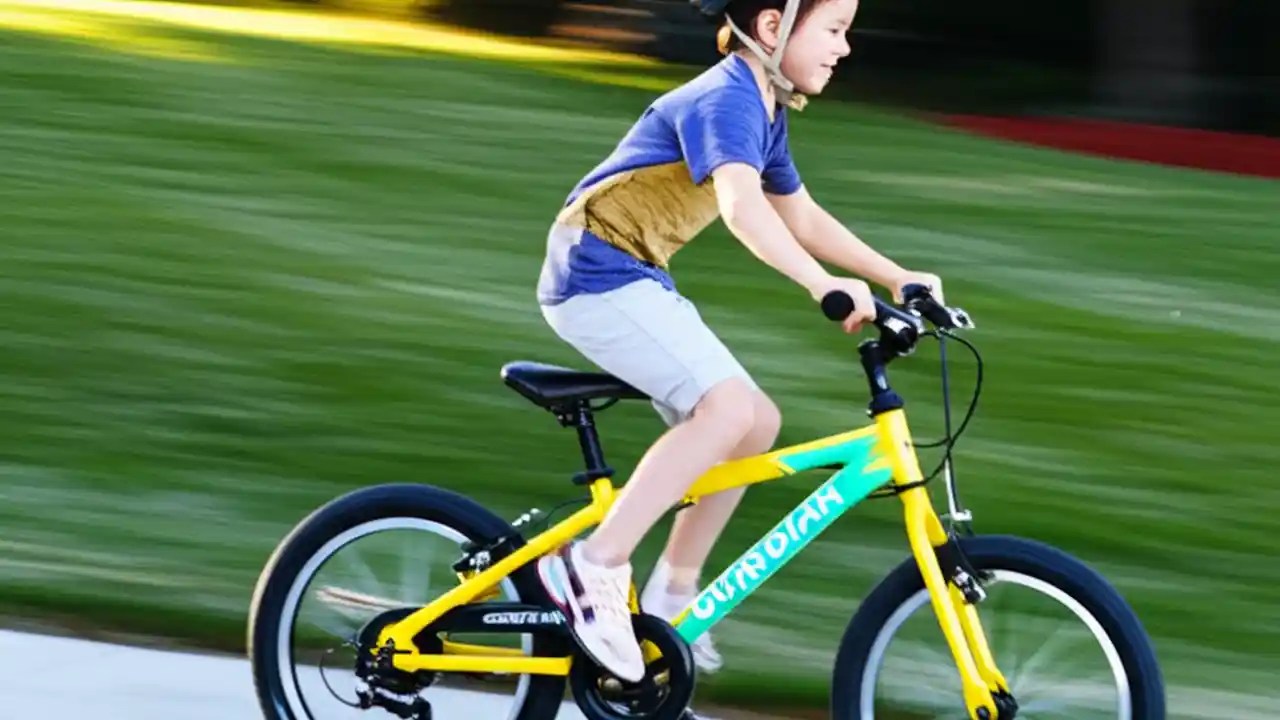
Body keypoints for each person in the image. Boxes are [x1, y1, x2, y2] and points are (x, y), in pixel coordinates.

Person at [534, 0, 943, 682]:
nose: (844, 48)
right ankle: (593, 565)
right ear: (773, 27)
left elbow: (800, 216)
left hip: (633, 275)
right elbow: (741, 207)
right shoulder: (726, 98)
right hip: (594, 274)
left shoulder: (764, 109)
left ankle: (672, 596)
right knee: (723, 409)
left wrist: (896, 277)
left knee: (755, 422)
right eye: (834, 30)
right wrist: (820, 285)